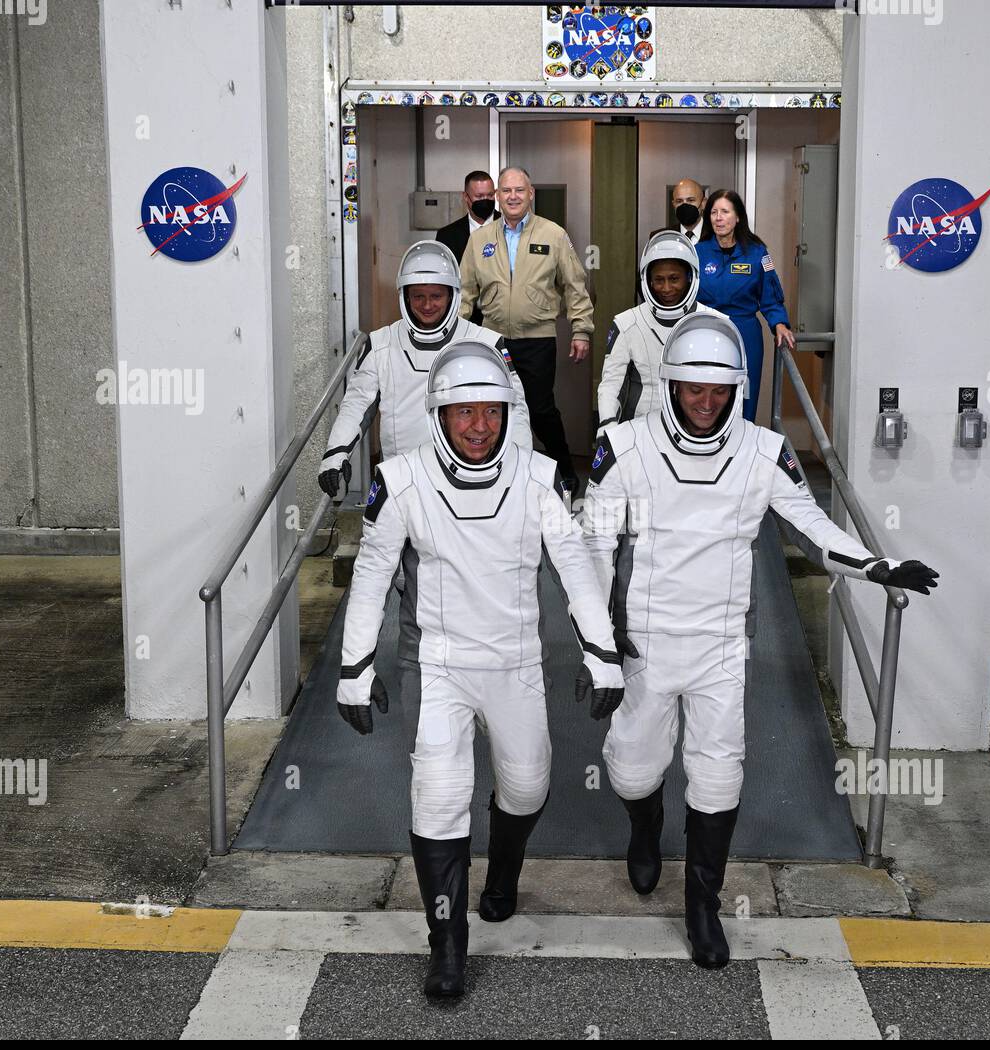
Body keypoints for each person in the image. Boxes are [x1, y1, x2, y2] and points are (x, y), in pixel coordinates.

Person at [581, 312, 937, 969]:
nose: (706, 405)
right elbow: (594, 545)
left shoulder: (762, 451)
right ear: (672, 386)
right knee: (633, 767)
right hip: (647, 642)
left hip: (720, 646)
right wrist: (596, 644)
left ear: (736, 391)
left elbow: (808, 523)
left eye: (719, 393)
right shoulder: (623, 447)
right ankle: (644, 826)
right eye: (694, 391)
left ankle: (701, 906)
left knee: (718, 778)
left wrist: (873, 565)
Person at [337, 340, 624, 999]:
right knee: (438, 796)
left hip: (517, 659)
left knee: (525, 789)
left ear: (506, 412)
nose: (477, 426)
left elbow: (577, 570)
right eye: (463, 412)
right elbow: (372, 573)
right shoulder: (402, 479)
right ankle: (448, 945)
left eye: (489, 412)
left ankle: (503, 873)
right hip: (439, 663)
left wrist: (602, 653)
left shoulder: (540, 476)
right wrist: (354, 666)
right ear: (438, 415)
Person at [317, 240, 530, 499]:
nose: (427, 305)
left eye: (436, 296)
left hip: (469, 481)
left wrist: (522, 468)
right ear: (405, 296)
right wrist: (335, 454)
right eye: (419, 296)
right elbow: (356, 405)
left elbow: (514, 410)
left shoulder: (486, 343)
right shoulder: (382, 344)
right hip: (401, 480)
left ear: (452, 294)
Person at [458, 165, 594, 495]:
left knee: (540, 409)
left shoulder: (553, 234)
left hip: (537, 339)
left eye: (519, 190)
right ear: (497, 197)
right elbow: (464, 292)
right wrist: (456, 336)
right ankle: (503, 475)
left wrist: (581, 330)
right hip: (493, 340)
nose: (513, 196)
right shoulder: (480, 240)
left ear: (531, 194)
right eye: (506, 191)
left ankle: (564, 471)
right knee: (495, 408)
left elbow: (575, 286)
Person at [595, 230, 718, 430]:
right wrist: (607, 426)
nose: (667, 288)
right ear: (648, 281)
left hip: (696, 429)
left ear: (689, 277)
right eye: (659, 280)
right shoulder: (627, 323)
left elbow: (728, 389)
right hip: (640, 427)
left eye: (674, 278)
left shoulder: (713, 323)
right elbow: (611, 384)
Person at [695, 189, 797, 423]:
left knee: (744, 394)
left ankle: (743, 448)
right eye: (713, 212)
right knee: (707, 395)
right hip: (706, 330)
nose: (718, 218)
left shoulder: (758, 253)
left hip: (745, 333)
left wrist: (779, 323)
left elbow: (771, 295)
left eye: (725, 212)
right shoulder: (697, 253)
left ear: (738, 217)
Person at [436, 171, 498, 325]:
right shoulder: (447, 236)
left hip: (503, 322)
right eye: (479, 196)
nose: (485, 200)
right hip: (464, 321)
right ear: (466, 197)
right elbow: (444, 281)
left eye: (490, 196)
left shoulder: (510, 228)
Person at [671, 178, 705, 244]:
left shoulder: (717, 235)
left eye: (691, 200)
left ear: (703, 203)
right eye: (679, 201)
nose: (685, 205)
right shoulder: (663, 237)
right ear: (674, 204)